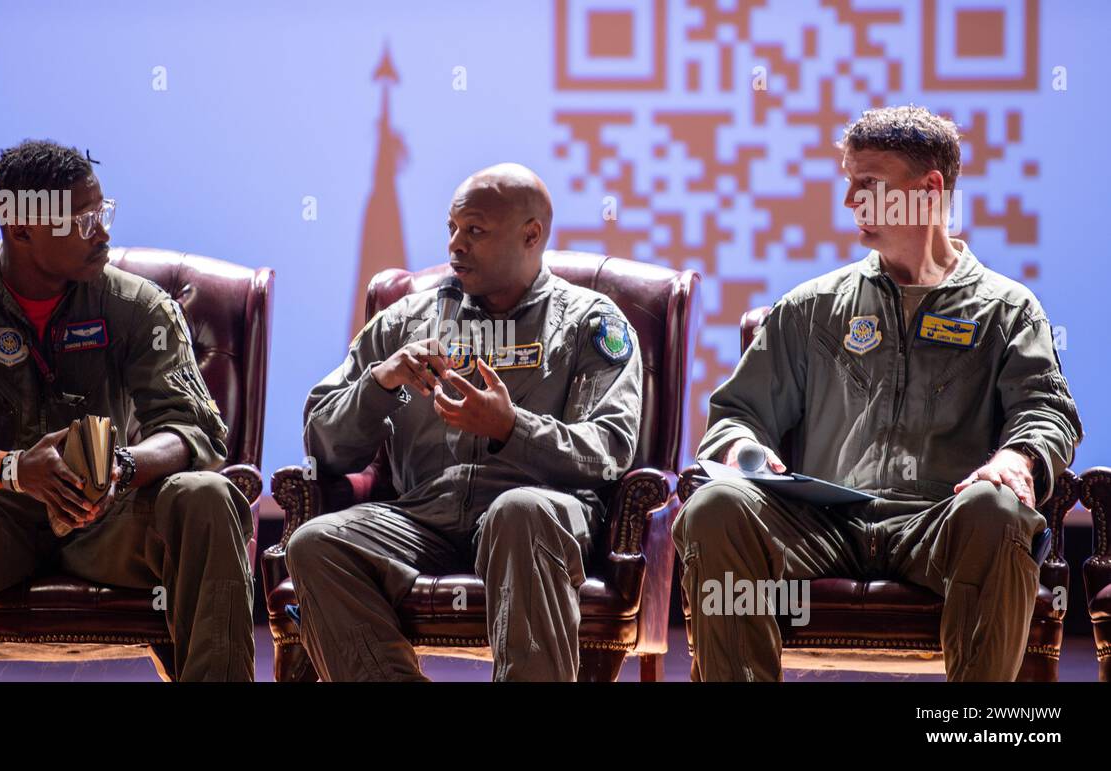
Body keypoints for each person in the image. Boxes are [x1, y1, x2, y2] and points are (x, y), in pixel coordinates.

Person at [674, 105, 1082, 681]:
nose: (849, 202)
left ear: (929, 189)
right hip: (824, 526)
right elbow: (737, 413)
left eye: (866, 184)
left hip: (940, 525)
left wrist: (1017, 456)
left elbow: (1046, 410)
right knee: (716, 506)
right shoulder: (813, 306)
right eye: (847, 183)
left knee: (996, 509)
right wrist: (743, 449)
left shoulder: (1007, 309)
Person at [0, 139, 254, 681]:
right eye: (83, 219)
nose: (103, 231)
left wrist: (124, 466)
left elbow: (193, 427)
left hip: (110, 521)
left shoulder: (138, 306)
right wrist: (12, 470)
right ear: (20, 229)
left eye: (103, 212)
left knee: (206, 492)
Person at [287, 163, 643, 681]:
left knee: (518, 510)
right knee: (316, 543)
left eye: (474, 231)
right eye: (452, 229)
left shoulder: (591, 323)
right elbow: (322, 444)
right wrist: (378, 385)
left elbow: (609, 451)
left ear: (531, 235)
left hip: (536, 518)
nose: (456, 245)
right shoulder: (405, 320)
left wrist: (510, 429)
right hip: (423, 518)